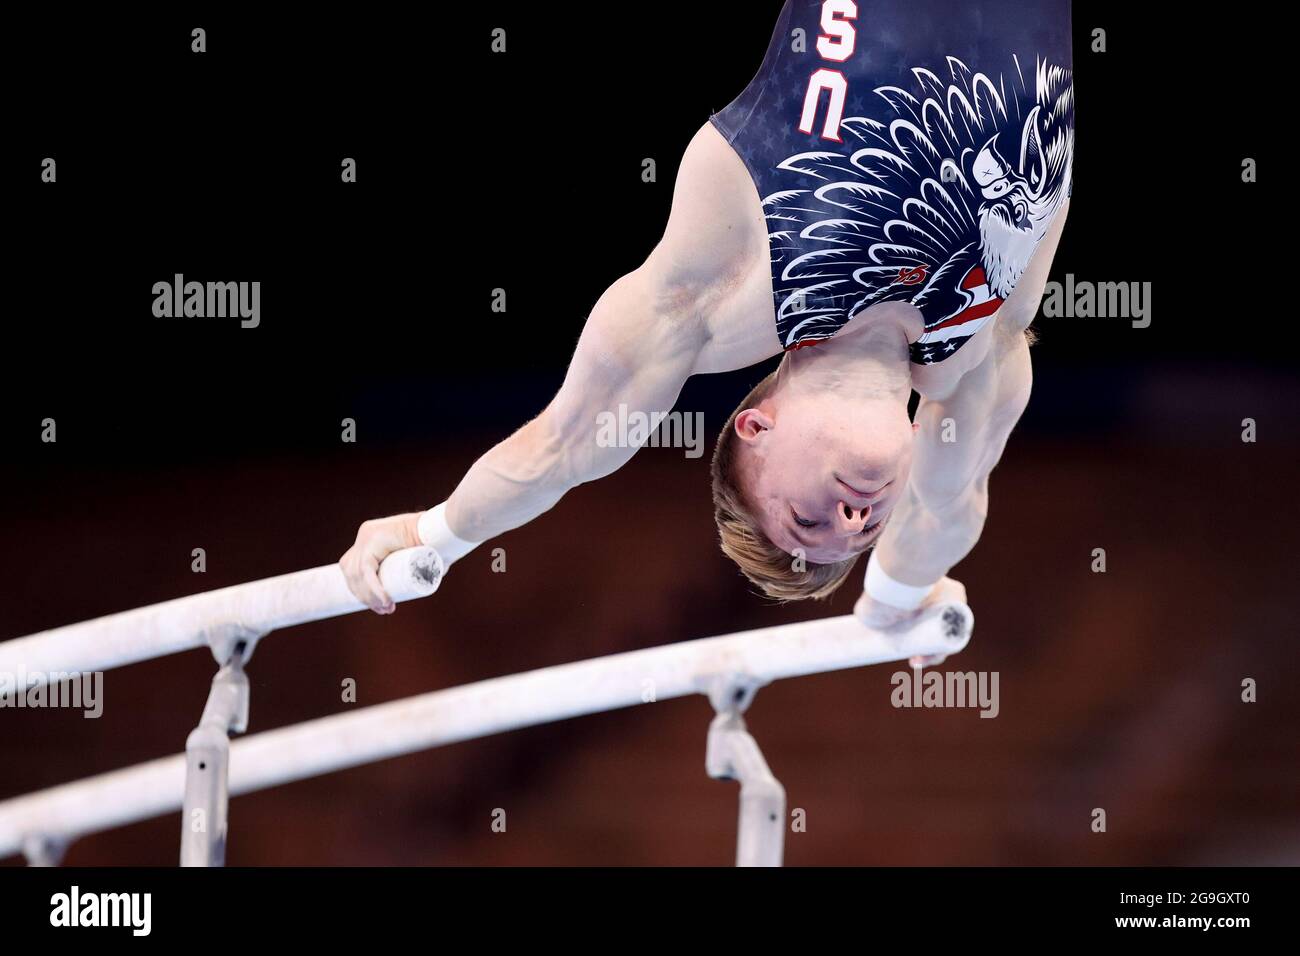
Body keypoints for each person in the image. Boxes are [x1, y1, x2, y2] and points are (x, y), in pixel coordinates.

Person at [341, 0, 1074, 661]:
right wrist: (896, 598)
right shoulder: (976, 348)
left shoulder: (731, 291)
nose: (851, 521)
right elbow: (947, 506)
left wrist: (429, 535)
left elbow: (565, 447)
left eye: (805, 520)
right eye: (856, 534)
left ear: (756, 427)